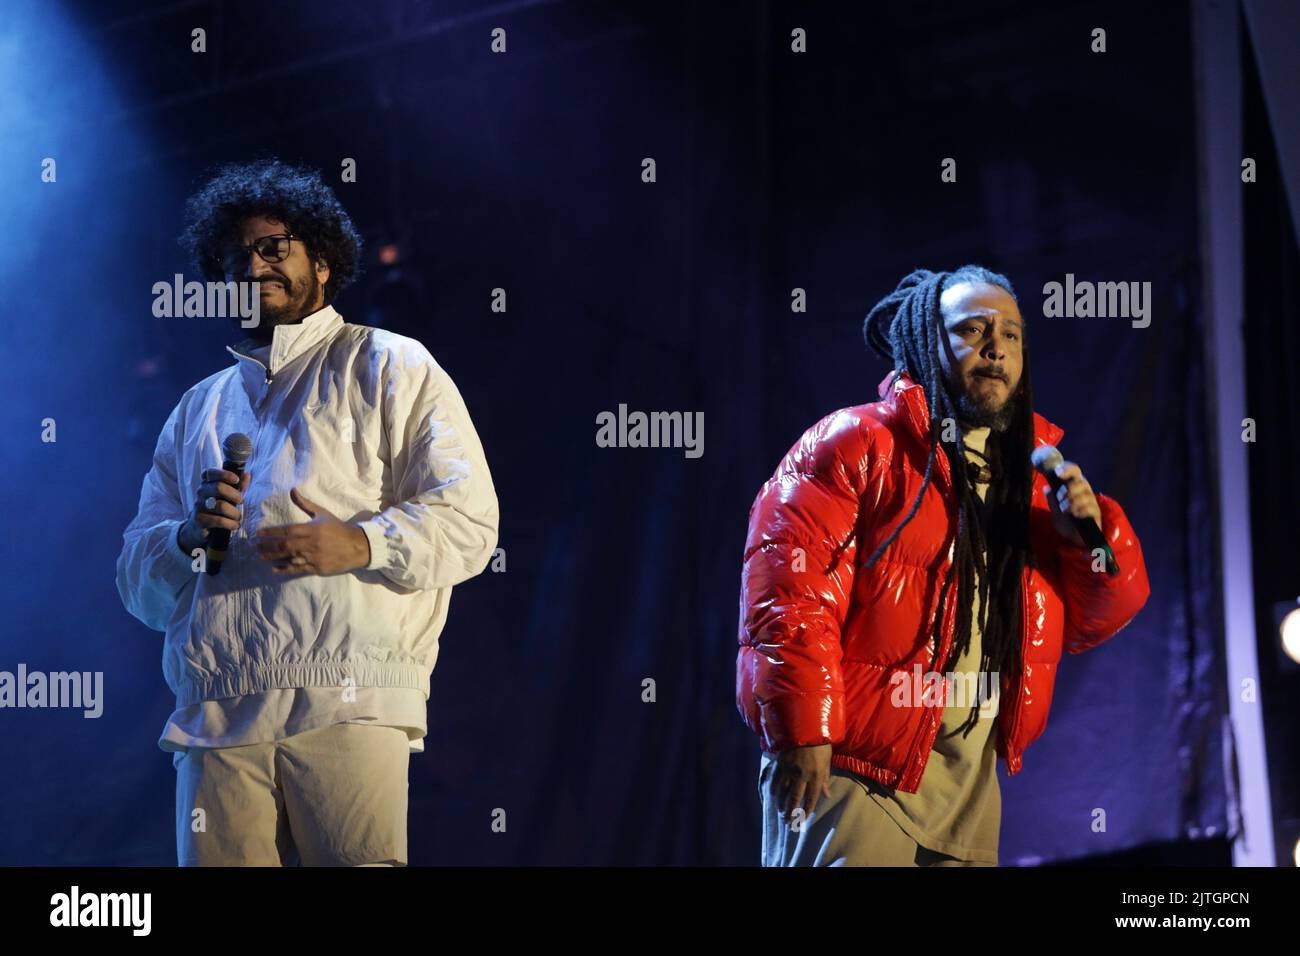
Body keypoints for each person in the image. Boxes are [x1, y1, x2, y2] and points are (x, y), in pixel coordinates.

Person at [115, 158, 499, 866]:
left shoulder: (390, 365)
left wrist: (361, 543)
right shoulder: (196, 409)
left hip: (349, 702)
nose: (253, 268)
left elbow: (470, 521)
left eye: (273, 248)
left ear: (321, 261)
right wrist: (186, 539)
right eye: (236, 258)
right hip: (217, 716)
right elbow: (138, 586)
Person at [736, 265, 1150, 866]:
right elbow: (788, 591)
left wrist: (1090, 537)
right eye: (973, 329)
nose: (996, 348)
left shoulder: (1031, 484)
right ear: (927, 341)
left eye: (1010, 334)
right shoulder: (856, 441)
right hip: (854, 769)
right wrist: (805, 730)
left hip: (967, 786)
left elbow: (1101, 618)